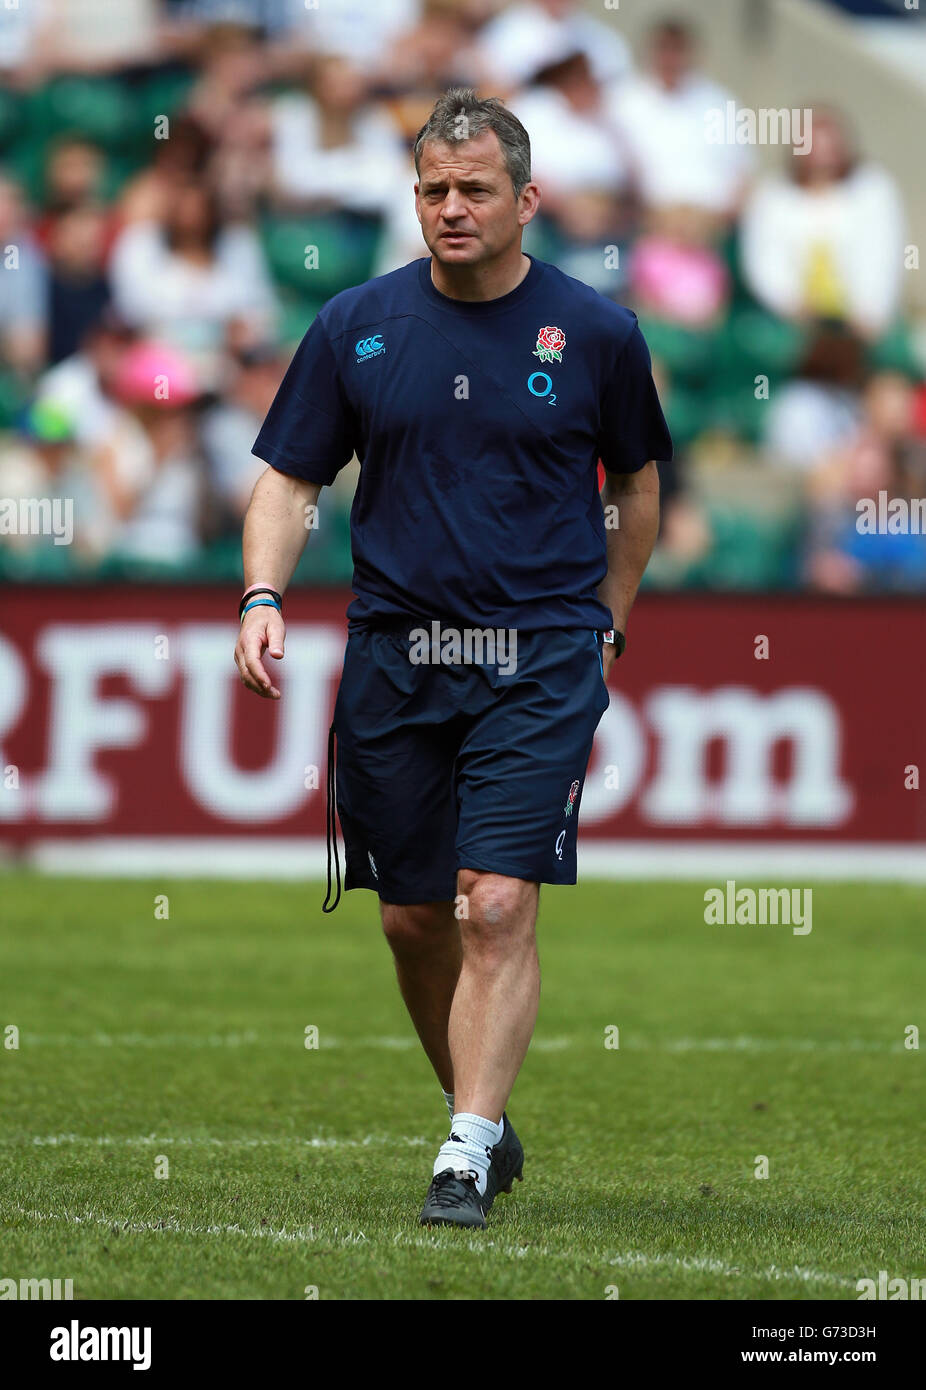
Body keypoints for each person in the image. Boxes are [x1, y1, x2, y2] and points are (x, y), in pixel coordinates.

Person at [235, 88, 671, 1228]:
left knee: (494, 905)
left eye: (474, 188)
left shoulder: (596, 334)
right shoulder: (353, 327)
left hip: (538, 656)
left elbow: (634, 486)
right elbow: (288, 479)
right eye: (431, 188)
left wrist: (608, 621)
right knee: (414, 918)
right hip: (397, 651)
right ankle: (475, 1104)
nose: (450, 207)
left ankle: (462, 1152)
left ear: (527, 199)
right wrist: (263, 592)